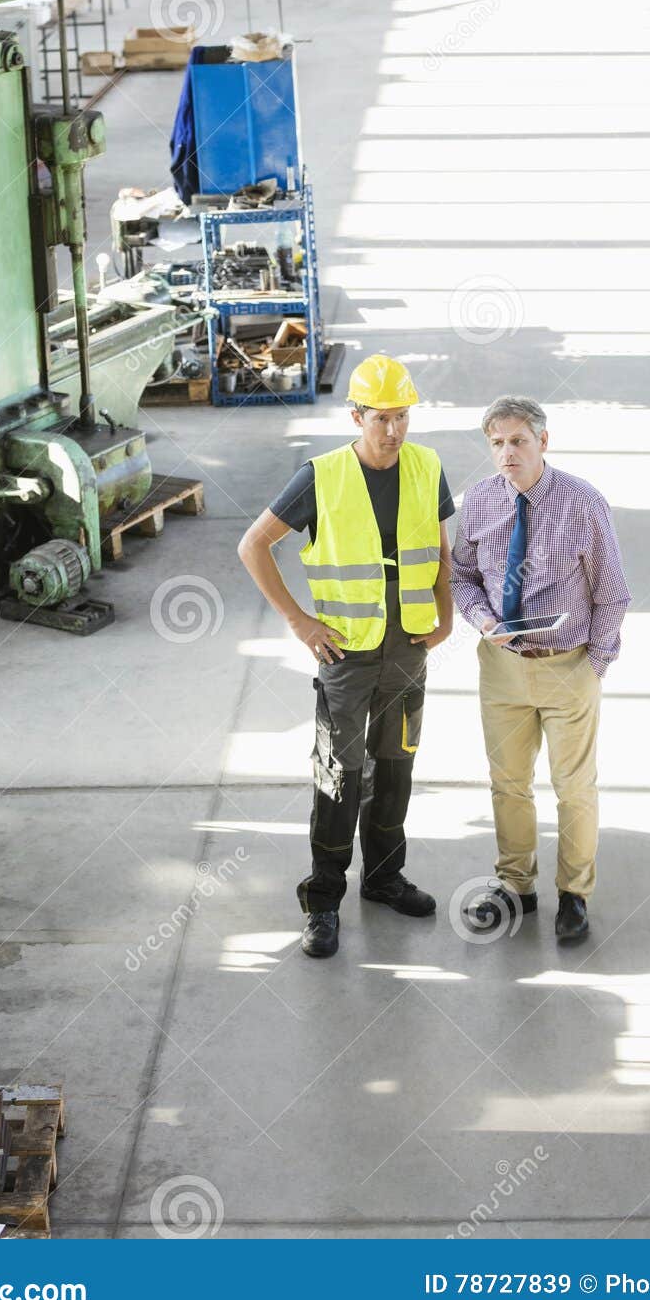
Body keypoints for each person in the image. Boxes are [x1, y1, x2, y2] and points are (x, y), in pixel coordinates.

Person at [237, 354, 455, 959]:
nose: (394, 429)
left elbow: (440, 549)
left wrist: (446, 620)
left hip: (409, 647)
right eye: (382, 417)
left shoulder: (427, 466)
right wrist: (299, 621)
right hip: (348, 653)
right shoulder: (322, 475)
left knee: (396, 769)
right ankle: (325, 900)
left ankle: (384, 878)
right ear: (355, 415)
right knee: (339, 776)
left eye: (403, 416)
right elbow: (254, 545)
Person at [450, 395, 630, 945]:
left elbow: (612, 590)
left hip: (567, 664)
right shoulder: (479, 502)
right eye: (497, 443)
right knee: (507, 783)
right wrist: (484, 623)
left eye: (518, 441)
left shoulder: (582, 502)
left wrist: (593, 664)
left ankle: (573, 895)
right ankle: (516, 887)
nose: (507, 453)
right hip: (502, 666)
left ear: (543, 442)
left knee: (574, 787)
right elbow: (461, 576)